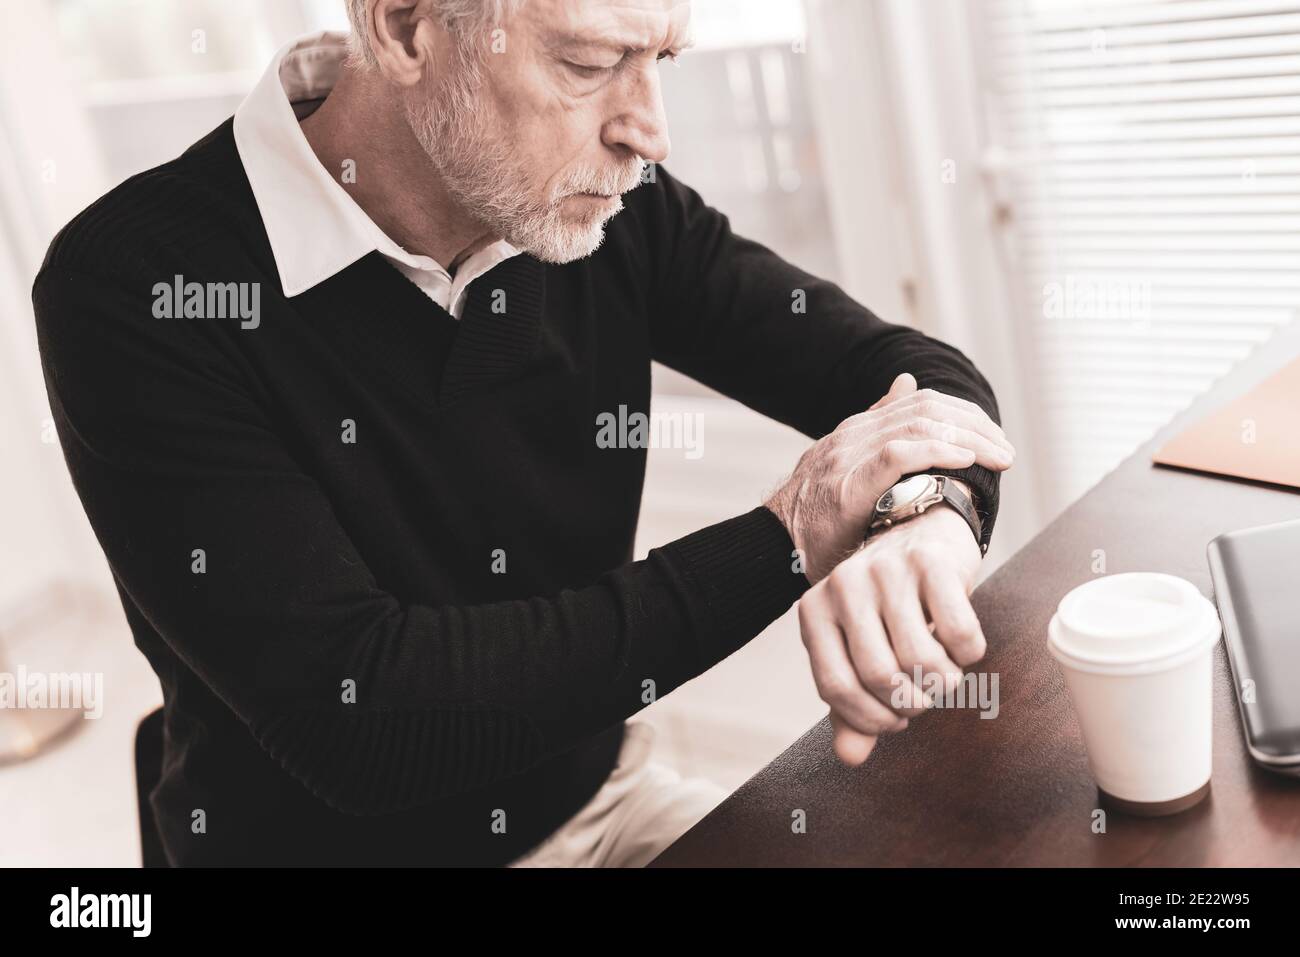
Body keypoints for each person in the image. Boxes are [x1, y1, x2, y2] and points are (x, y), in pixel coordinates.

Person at [31, 0, 1014, 866]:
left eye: (659, 58)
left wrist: (926, 508)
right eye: (587, 64)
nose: (649, 132)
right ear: (406, 27)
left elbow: (905, 375)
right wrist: (788, 538)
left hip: (598, 800)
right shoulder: (137, 288)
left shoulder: (612, 212)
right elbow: (361, 718)